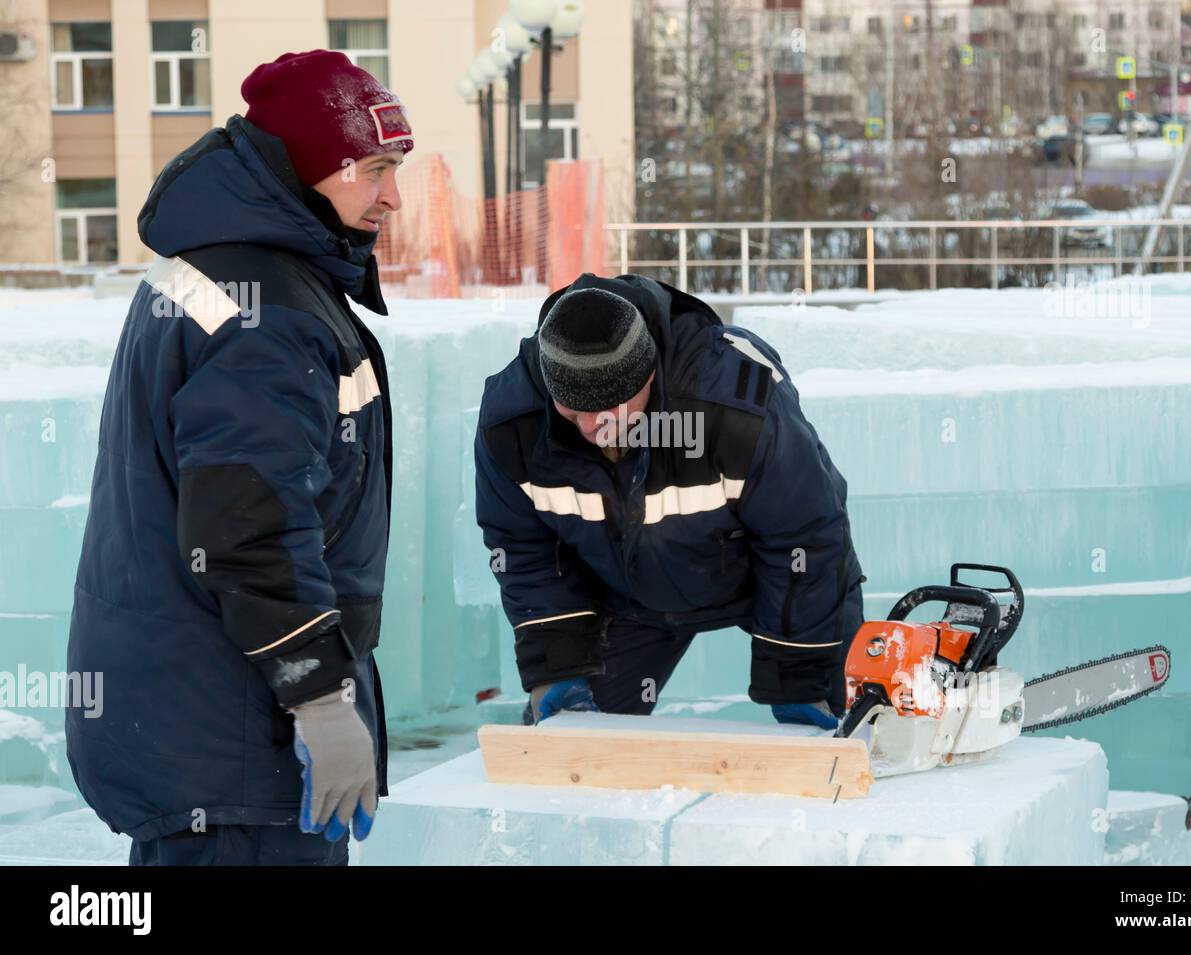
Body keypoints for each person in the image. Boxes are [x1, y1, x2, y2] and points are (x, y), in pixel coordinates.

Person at [65, 50, 412, 866]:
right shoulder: (268, 313)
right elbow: (249, 529)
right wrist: (323, 701)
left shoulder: (230, 271)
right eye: (372, 169)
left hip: (207, 734)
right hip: (240, 747)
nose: (392, 195)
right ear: (305, 167)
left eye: (396, 168)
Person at [475, 273, 864, 728]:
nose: (590, 427)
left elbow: (806, 538)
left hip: (763, 579)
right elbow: (524, 547)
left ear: (650, 373)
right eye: (572, 408)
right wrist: (558, 663)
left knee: (846, 732)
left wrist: (801, 671)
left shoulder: (737, 403)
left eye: (612, 407)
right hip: (624, 599)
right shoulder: (513, 424)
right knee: (571, 745)